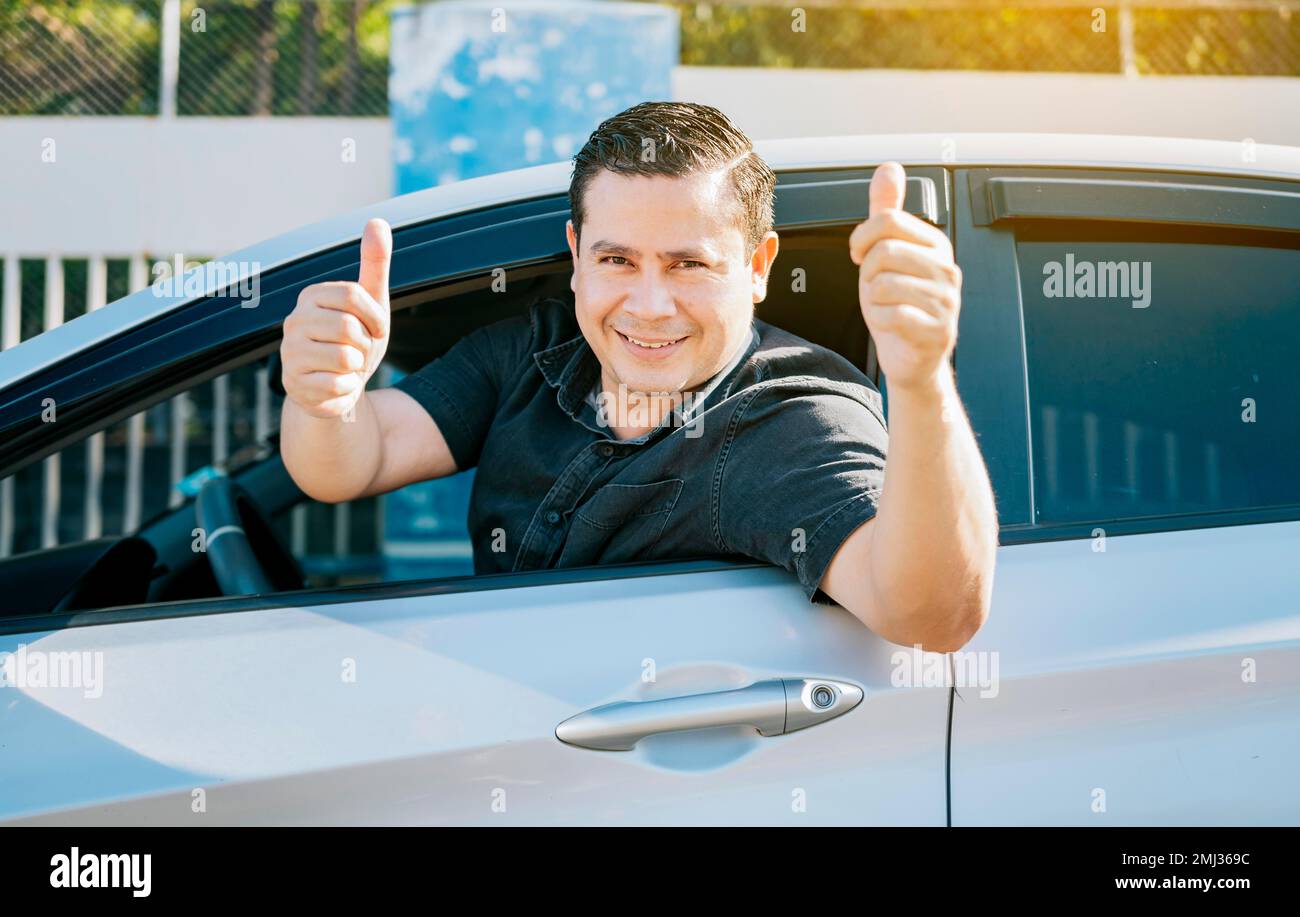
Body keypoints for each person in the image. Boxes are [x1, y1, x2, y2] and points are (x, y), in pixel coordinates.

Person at [279, 101, 997, 652]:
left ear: (757, 267)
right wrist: (321, 397)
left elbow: (932, 614)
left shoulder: (792, 420)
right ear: (576, 252)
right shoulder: (533, 348)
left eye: (688, 264)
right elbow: (350, 460)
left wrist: (922, 379)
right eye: (618, 260)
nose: (649, 307)